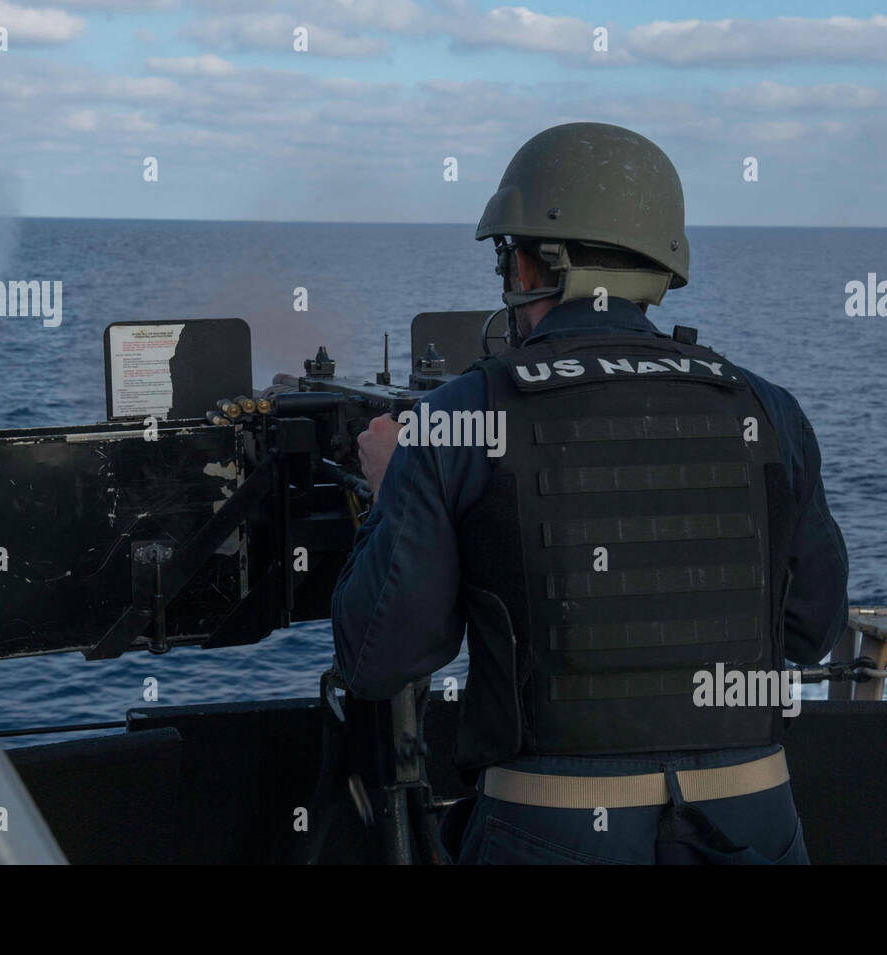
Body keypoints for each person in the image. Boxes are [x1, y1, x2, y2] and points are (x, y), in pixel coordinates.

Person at [331, 122, 849, 864]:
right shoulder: (769, 410)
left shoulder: (462, 416)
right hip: (755, 823)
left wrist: (391, 490)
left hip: (554, 827)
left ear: (534, 265)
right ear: (661, 265)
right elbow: (810, 630)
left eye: (507, 252)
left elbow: (381, 654)